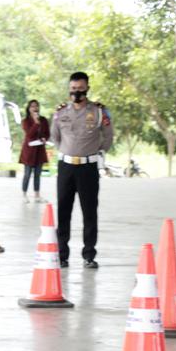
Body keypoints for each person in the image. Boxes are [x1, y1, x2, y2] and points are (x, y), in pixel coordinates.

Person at [50, 71, 113, 269]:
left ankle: (89, 255)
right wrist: (66, 151)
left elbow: (108, 136)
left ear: (87, 88)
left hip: (88, 167)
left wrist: (96, 151)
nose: (76, 92)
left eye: (80, 88)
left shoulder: (99, 111)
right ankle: (62, 255)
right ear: (69, 89)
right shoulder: (61, 112)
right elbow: (55, 136)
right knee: (63, 211)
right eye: (73, 88)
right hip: (66, 167)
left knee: (89, 212)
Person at [19, 100, 50, 201]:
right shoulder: (25, 121)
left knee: (37, 174)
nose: (35, 108)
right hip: (29, 151)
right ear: (29, 109)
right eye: (32, 106)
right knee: (27, 174)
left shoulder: (43, 120)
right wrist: (36, 123)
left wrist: (45, 138)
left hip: (39, 150)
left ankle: (37, 195)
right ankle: (24, 194)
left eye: (36, 106)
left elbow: (47, 133)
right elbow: (29, 134)